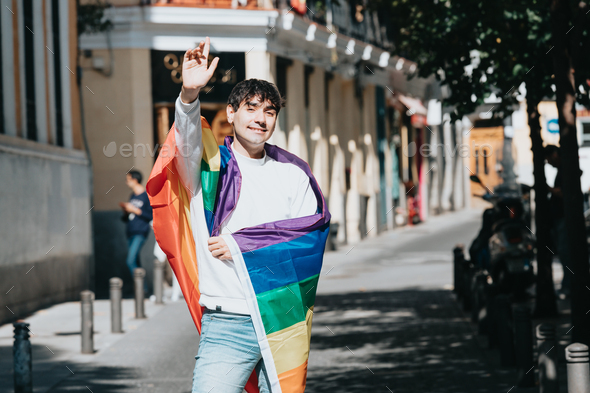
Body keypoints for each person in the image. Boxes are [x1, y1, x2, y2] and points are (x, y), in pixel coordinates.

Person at [170, 38, 321, 393]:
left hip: (283, 317)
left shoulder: (294, 173)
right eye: (251, 108)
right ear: (231, 113)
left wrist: (241, 245)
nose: (261, 118)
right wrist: (188, 96)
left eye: (270, 112)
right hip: (228, 320)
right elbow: (186, 137)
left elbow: (307, 241)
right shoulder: (206, 167)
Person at [120, 170, 153, 290]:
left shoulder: (146, 196)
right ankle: (142, 291)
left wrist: (135, 210)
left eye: (128, 180)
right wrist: (126, 210)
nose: (127, 183)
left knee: (130, 261)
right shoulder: (132, 196)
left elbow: (150, 215)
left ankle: (142, 289)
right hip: (130, 232)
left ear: (135, 180)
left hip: (140, 232)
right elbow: (126, 218)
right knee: (136, 262)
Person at [545, 145, 570, 297]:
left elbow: (563, 192)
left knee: (565, 251)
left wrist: (548, 189)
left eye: (548, 159)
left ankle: (568, 286)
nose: (548, 163)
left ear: (555, 154)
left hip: (563, 217)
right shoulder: (562, 170)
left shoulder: (564, 170)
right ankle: (568, 285)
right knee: (563, 251)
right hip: (560, 217)